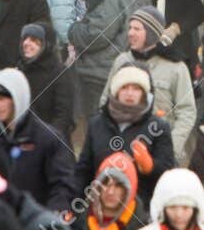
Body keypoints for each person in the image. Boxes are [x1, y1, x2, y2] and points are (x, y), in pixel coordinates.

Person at [0, 67, 77, 212]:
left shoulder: (47, 138)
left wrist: (49, 222)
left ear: (17, 98)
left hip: (39, 224)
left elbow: (63, 186)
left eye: (1, 99)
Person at [101, 6, 196, 157]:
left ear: (151, 34)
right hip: (120, 153)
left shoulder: (176, 67)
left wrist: (170, 149)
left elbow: (186, 112)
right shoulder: (122, 61)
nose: (130, 33)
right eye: (130, 28)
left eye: (137, 29)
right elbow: (105, 102)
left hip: (159, 153)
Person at [75, 64, 177, 204]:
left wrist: (151, 167)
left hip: (142, 211)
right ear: (116, 91)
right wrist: (73, 204)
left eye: (136, 88)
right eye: (124, 87)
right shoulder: (96, 124)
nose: (130, 93)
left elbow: (169, 176)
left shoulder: (158, 127)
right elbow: (84, 170)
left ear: (144, 93)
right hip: (100, 207)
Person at [125, 167, 204, 230]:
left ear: (196, 209)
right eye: (172, 207)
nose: (179, 214)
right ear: (162, 209)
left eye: (185, 207)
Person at [70, 152, 146, 230]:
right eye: (105, 183)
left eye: (118, 186)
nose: (110, 191)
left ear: (130, 190)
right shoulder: (75, 221)